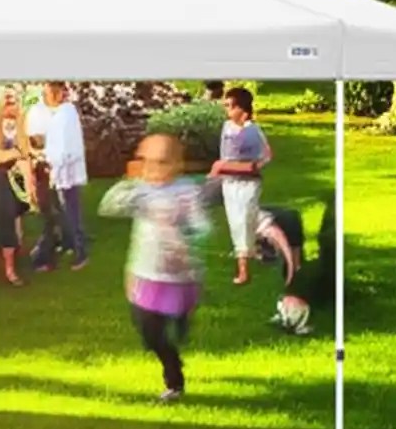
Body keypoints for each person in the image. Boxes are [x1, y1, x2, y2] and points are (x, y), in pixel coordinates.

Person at [99, 134, 210, 403]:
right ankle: (173, 364)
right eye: (145, 161)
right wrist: (128, 182)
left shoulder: (185, 191)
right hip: (145, 271)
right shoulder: (140, 189)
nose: (152, 168)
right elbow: (107, 207)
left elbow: (202, 226)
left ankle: (174, 382)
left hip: (178, 275)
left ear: (176, 165)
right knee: (149, 332)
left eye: (160, 162)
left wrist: (185, 235)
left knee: (173, 320)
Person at [211, 86, 271, 285]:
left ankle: (249, 260)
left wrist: (250, 166)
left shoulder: (253, 131)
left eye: (230, 106)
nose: (227, 110)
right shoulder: (227, 127)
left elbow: (266, 155)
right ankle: (245, 261)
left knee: (245, 219)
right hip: (230, 183)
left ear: (242, 109)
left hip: (248, 184)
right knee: (236, 222)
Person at [42, 82, 89, 270]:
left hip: (65, 169)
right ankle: (70, 243)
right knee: (65, 210)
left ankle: (81, 252)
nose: (46, 98)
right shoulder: (62, 114)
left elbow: (63, 146)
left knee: (72, 211)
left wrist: (51, 162)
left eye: (49, 93)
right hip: (62, 168)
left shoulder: (65, 115)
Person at [0, 89, 32, 285]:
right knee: (5, 222)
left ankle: (12, 263)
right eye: (7, 101)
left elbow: (24, 151)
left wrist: (21, 122)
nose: (12, 105)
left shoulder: (15, 125)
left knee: (15, 221)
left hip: (12, 177)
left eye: (14, 101)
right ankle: (9, 269)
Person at [25, 85, 65, 270]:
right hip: (44, 167)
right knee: (49, 213)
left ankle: (53, 247)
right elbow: (35, 141)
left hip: (59, 167)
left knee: (57, 211)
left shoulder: (62, 112)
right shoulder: (38, 113)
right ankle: (41, 257)